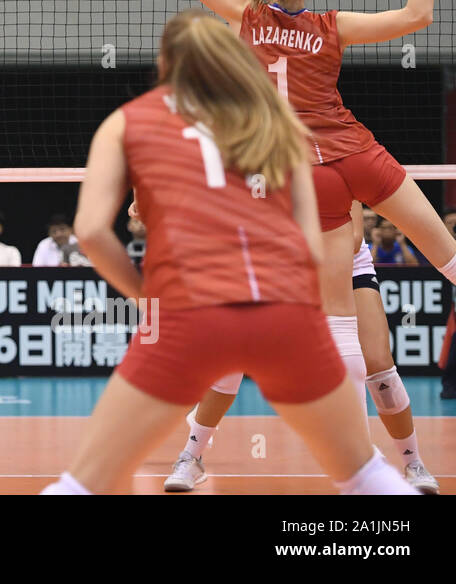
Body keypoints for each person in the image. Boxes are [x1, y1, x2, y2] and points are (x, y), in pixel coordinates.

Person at [64, 0, 456, 491]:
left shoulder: (243, 15)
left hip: (309, 173)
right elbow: (417, 19)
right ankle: (360, 472)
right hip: (358, 154)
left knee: (336, 335)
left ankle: (362, 471)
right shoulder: (332, 26)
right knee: (449, 259)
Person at [42, 10, 415, 496]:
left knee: (81, 484)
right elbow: (307, 234)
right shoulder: (275, 122)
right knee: (365, 477)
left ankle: (190, 455)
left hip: (189, 315)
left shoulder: (129, 121)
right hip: (281, 312)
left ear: (164, 62)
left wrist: (141, 295)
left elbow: (91, 231)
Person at [164, 200, 439, 494]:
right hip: (281, 265)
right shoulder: (269, 164)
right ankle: (191, 457)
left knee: (379, 366)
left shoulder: (337, 157)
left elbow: (353, 238)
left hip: (344, 265)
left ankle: (413, 463)